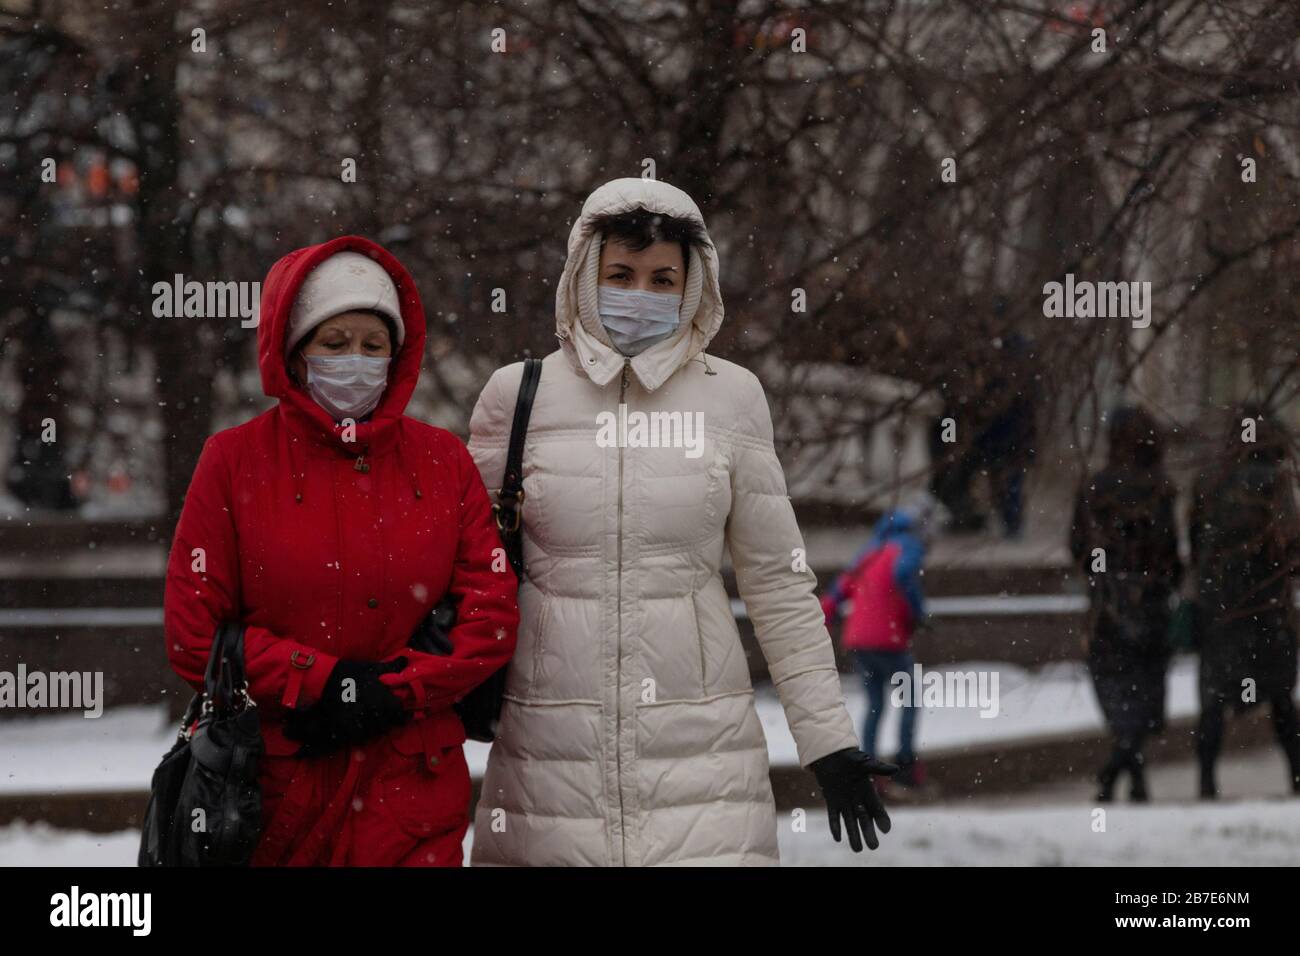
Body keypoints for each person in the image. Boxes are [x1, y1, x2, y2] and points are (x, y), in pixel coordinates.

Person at [466, 178, 894, 866]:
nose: (642, 293)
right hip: (548, 771)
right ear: (583, 275)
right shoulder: (518, 398)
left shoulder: (734, 399)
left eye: (663, 278)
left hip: (708, 768)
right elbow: (468, 573)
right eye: (621, 274)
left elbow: (780, 586)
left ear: (693, 286)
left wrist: (828, 741)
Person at [164, 236, 519, 866]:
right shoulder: (233, 461)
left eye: (373, 345)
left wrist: (395, 691)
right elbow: (195, 631)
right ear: (296, 356)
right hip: (273, 793)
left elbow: (490, 617)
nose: (356, 360)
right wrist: (320, 683)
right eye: (334, 343)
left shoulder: (444, 462)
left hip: (413, 790)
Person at [1069, 406, 1180, 803]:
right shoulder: (1160, 489)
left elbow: (1078, 548)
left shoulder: (1095, 488)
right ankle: (1129, 773)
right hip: (1150, 604)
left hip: (1107, 606)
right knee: (1143, 692)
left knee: (1116, 691)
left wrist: (1104, 573)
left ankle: (1118, 768)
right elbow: (1169, 551)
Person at [1191, 406, 1300, 799]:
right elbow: (1290, 544)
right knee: (1281, 699)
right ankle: (1296, 778)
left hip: (1221, 607)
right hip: (1266, 606)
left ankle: (1206, 782)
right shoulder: (1276, 484)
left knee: (1214, 699)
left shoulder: (1209, 481)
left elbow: (1195, 542)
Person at [821, 507, 931, 787]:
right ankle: (906, 764)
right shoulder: (906, 546)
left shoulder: (869, 552)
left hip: (859, 640)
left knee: (875, 704)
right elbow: (904, 574)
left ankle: (869, 769)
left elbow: (839, 589)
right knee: (910, 699)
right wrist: (919, 613)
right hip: (888, 639)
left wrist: (824, 617)